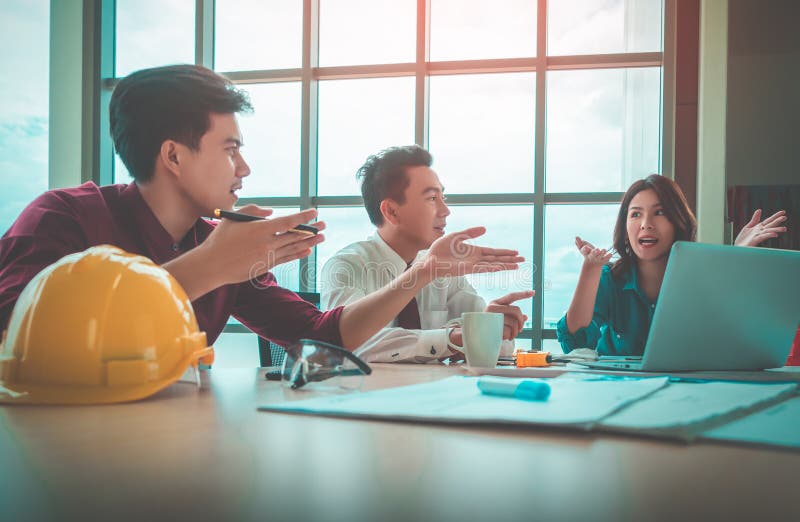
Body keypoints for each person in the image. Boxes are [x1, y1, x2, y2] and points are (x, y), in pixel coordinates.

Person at [0, 64, 525, 353]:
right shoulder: (62, 218)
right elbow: (14, 334)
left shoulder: (222, 246)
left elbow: (326, 335)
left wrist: (423, 272)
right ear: (174, 156)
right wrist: (207, 268)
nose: (244, 169)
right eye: (231, 149)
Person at [320, 145, 533, 363]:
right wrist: (453, 339)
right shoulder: (345, 266)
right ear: (392, 211)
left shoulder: (442, 267)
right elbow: (353, 343)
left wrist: (492, 326)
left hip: (435, 393)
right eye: (432, 198)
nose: (445, 210)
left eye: (444, 198)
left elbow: (501, 346)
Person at [556, 174, 788, 356]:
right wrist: (590, 270)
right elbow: (576, 344)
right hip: (617, 391)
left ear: (678, 222)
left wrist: (736, 259)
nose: (646, 224)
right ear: (625, 227)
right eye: (635, 214)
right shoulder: (609, 278)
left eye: (660, 212)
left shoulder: (703, 276)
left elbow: (734, 339)